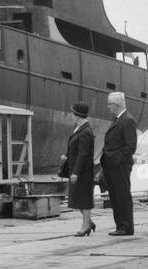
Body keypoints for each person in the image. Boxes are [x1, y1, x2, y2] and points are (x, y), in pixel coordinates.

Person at [100, 91, 137, 236]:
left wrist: (119, 161)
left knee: (122, 196)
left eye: (109, 105)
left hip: (120, 166)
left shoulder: (127, 120)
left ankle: (126, 227)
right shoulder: (118, 120)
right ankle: (120, 225)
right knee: (115, 196)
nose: (108, 107)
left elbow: (130, 146)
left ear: (115, 105)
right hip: (112, 166)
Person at [58, 102, 95, 236]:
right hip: (77, 170)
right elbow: (76, 148)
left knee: (83, 199)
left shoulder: (86, 132)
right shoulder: (80, 129)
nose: (71, 115)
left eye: (73, 113)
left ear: (77, 115)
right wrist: (67, 155)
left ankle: (85, 226)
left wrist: (76, 173)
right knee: (76, 198)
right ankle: (89, 222)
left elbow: (83, 154)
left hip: (82, 172)